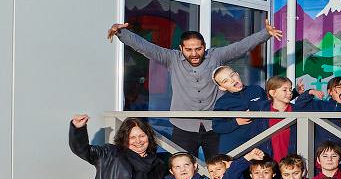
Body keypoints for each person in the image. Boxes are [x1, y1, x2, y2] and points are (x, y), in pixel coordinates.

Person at [107, 21, 281, 157]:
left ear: (204, 46)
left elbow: (241, 47)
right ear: (181, 49)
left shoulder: (216, 56)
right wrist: (122, 33)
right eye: (189, 49)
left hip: (214, 127)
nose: (194, 53)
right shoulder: (171, 58)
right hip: (183, 127)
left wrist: (265, 33)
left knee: (219, 169)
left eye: (198, 49)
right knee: (181, 168)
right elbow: (146, 48)